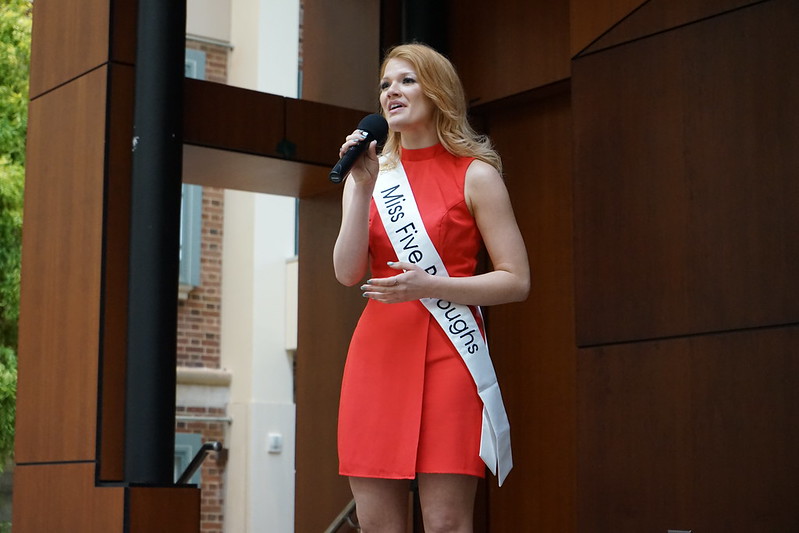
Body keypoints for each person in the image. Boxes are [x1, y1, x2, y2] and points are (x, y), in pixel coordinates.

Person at [333, 42, 530, 533]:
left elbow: (516, 279)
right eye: (385, 84)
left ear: (438, 91)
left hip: (451, 351)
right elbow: (346, 271)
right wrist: (360, 188)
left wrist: (430, 284)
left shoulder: (477, 175)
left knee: (444, 522)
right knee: (378, 523)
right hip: (378, 354)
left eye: (406, 80)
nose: (391, 92)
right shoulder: (371, 177)